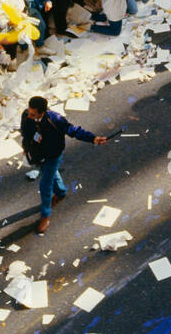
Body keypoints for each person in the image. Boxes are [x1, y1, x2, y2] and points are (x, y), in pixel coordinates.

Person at [20, 95, 107, 234]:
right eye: (29, 112)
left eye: (33, 114)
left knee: (45, 184)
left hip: (53, 155)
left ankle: (45, 215)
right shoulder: (26, 115)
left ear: (42, 112)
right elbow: (25, 133)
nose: (29, 116)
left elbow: (74, 131)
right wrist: (25, 148)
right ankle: (60, 192)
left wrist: (93, 138)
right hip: (37, 154)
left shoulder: (56, 120)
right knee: (51, 173)